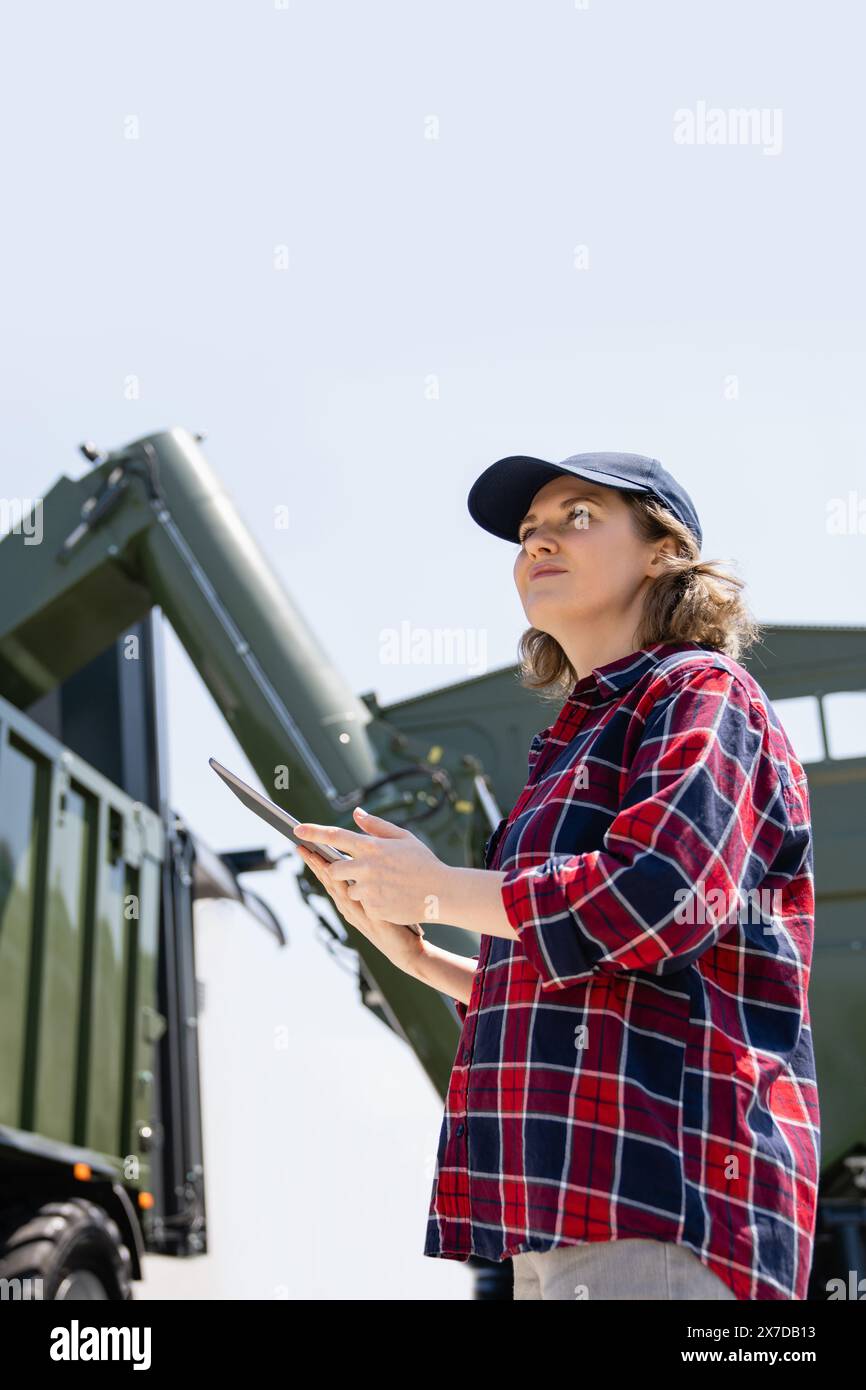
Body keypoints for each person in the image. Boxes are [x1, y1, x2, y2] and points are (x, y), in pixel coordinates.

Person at [293, 450, 820, 1302]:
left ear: (662, 551)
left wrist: (432, 888)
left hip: (665, 1198)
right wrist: (424, 955)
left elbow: (652, 900)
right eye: (527, 532)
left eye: (575, 516)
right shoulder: (572, 744)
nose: (537, 541)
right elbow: (594, 981)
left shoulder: (701, 693)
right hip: (559, 1207)